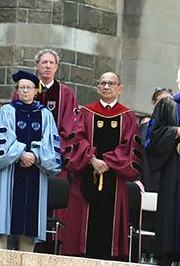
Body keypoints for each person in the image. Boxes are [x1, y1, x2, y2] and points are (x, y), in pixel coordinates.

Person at [61, 71, 141, 260]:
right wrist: (91, 159)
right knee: (82, 229)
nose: (106, 86)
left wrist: (108, 161)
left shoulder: (128, 116)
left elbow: (131, 147)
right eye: (103, 83)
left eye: (111, 83)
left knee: (109, 231)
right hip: (86, 177)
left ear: (119, 88)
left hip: (114, 179)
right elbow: (76, 140)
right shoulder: (86, 113)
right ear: (97, 87)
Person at [0, 70, 62, 251]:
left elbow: (50, 142)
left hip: (35, 172)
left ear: (36, 90)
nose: (25, 91)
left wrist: (35, 155)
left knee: (30, 227)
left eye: (29, 87)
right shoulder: (7, 111)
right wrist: (20, 153)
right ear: (17, 90)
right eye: (21, 87)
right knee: (4, 226)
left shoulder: (45, 114)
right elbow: (1, 140)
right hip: (9, 172)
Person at [10, 49, 79, 171]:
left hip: (52, 156)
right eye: (44, 62)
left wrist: (51, 151)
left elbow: (69, 127)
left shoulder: (66, 93)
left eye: (51, 63)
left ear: (56, 67)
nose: (48, 66)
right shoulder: (23, 90)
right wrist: (21, 153)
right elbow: (11, 122)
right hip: (23, 157)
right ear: (36, 66)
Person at [147, 71, 180, 263]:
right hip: (174, 169)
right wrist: (175, 131)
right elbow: (152, 137)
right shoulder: (168, 105)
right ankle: (167, 256)